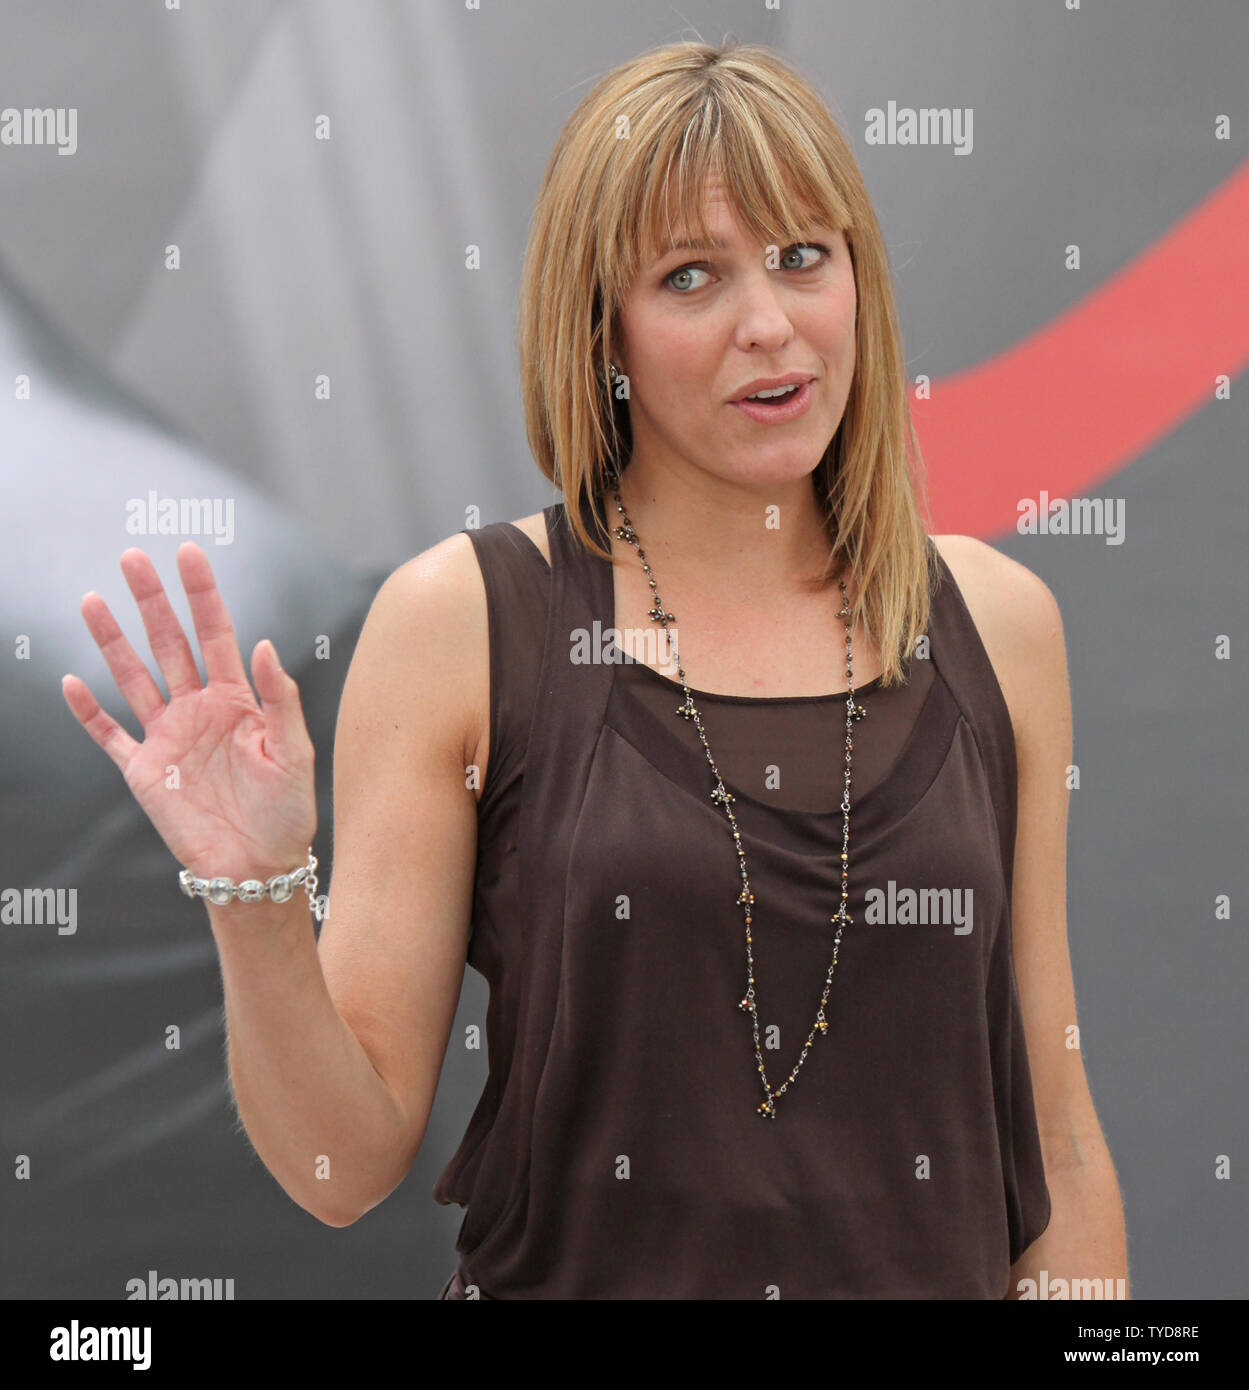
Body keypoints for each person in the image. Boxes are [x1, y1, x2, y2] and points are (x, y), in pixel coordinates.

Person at [62, 38, 1127, 1299]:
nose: (768, 324)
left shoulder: (998, 624)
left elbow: (1050, 1125)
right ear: (602, 334)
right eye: (691, 277)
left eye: (802, 257)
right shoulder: (461, 622)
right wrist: (252, 897)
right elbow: (338, 1166)